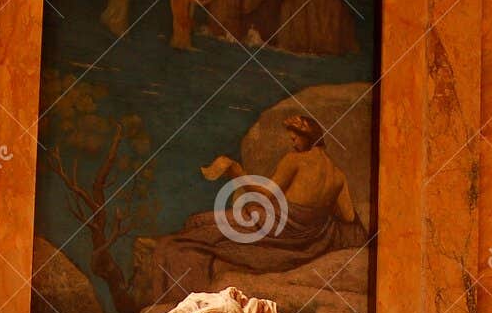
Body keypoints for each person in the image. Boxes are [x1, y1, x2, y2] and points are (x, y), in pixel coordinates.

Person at [152, 114, 367, 297]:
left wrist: (237, 172)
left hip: (273, 224)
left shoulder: (296, 160)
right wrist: (321, 207)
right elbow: (348, 217)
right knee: (209, 225)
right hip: (304, 234)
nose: (293, 144)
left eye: (295, 138)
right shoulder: (338, 176)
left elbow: (266, 193)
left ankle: (171, 271)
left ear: (307, 136)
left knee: (199, 223)